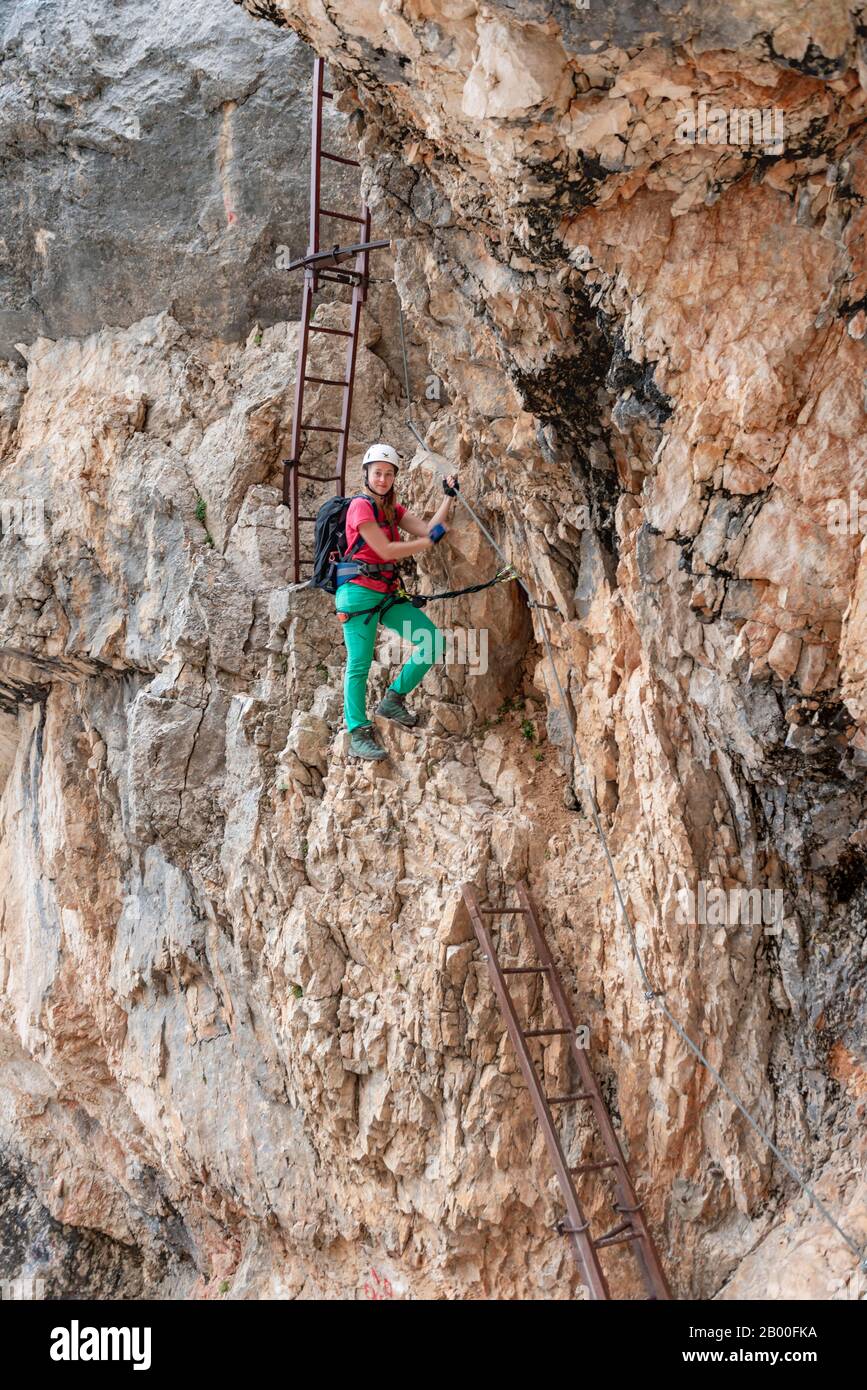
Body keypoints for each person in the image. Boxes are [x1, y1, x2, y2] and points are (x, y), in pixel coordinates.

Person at [336, 442, 458, 761]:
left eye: (389, 474)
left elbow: (430, 529)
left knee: (432, 641)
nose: (383, 479)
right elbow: (386, 550)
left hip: (386, 592)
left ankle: (392, 700)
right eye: (377, 473)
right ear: (366, 474)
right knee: (359, 664)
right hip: (358, 593)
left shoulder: (392, 508)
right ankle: (357, 730)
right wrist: (424, 543)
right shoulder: (361, 507)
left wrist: (448, 497)